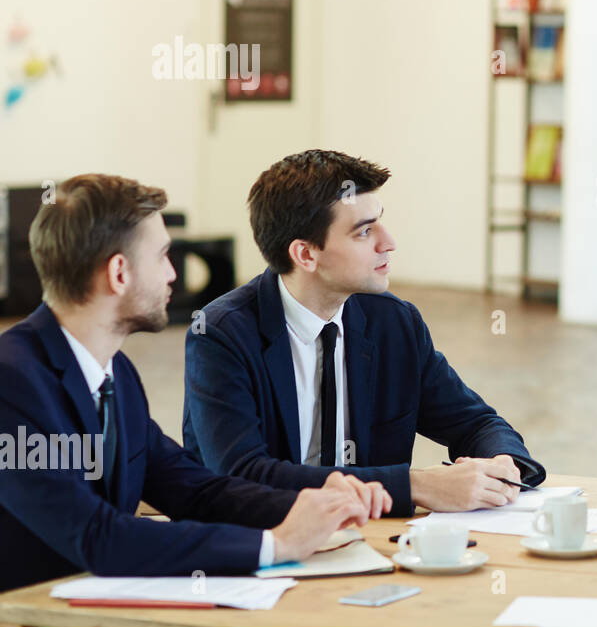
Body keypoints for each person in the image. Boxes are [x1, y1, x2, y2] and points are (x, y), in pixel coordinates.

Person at [0, 174, 390, 593]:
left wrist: (312, 502)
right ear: (119, 273)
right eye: (164, 256)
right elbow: (98, 538)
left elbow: (194, 489)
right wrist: (274, 546)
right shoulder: (12, 381)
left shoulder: (117, 374)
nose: (173, 274)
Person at [183, 149, 545, 517]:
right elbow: (240, 476)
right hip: (263, 546)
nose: (388, 243)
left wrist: (503, 463)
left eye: (380, 223)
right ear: (306, 255)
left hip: (371, 543)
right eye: (365, 231)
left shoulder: (394, 323)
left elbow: (476, 423)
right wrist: (415, 485)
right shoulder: (221, 334)